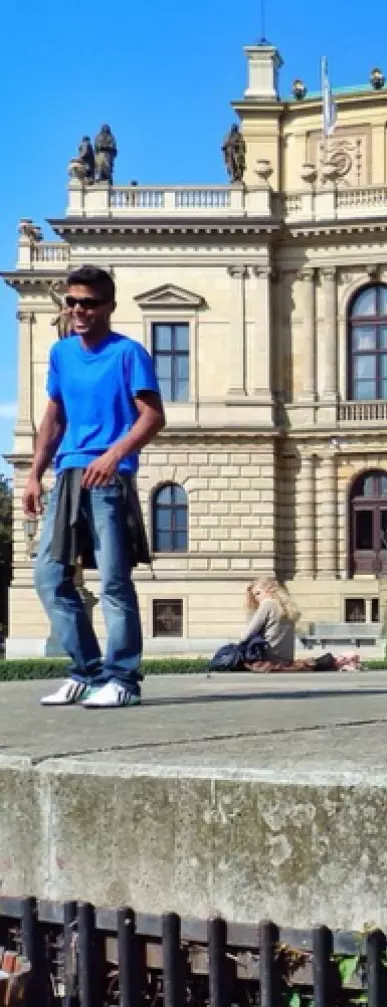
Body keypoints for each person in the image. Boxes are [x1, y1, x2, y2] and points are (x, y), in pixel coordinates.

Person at [25, 265, 165, 709]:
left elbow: (153, 415)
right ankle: (86, 672)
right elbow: (54, 418)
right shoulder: (62, 353)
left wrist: (114, 454)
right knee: (49, 578)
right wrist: (33, 474)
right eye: (72, 302)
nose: (78, 310)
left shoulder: (129, 353)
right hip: (66, 475)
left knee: (113, 583)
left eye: (88, 302)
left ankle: (123, 679)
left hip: (109, 478)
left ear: (109, 306)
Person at [241, 576, 360, 672]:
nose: (256, 598)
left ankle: (339, 660)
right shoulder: (286, 607)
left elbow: (246, 635)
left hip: (269, 658)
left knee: (230, 656)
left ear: (268, 590)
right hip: (286, 659)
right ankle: (340, 660)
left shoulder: (268, 604)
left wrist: (250, 611)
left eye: (257, 593)